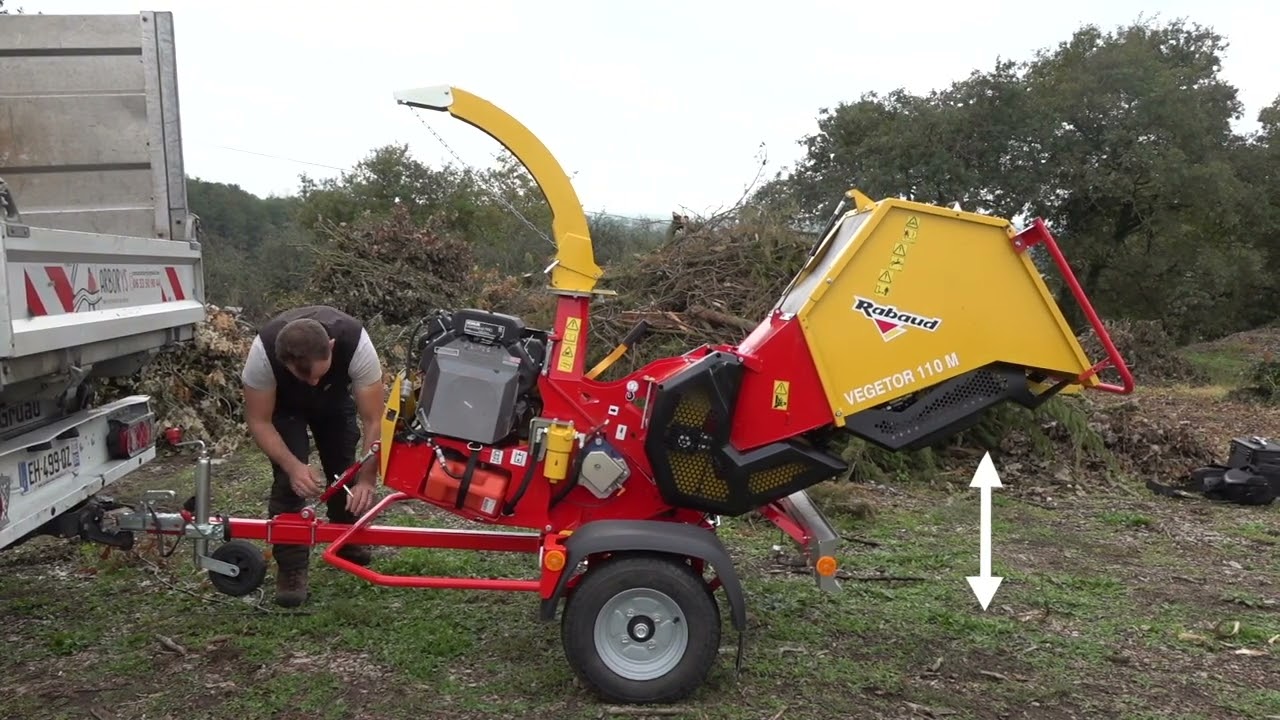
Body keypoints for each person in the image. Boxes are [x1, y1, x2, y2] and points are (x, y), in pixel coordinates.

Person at [239, 305, 385, 607]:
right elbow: (259, 421)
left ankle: (347, 538)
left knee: (344, 468)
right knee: (289, 484)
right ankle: (291, 569)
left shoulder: (356, 343)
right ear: (284, 362)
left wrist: (367, 479)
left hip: (335, 404)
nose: (313, 383)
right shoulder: (263, 354)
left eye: (319, 374)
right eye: (304, 377)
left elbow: (374, 419)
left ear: (331, 346)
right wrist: (293, 466)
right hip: (285, 409)